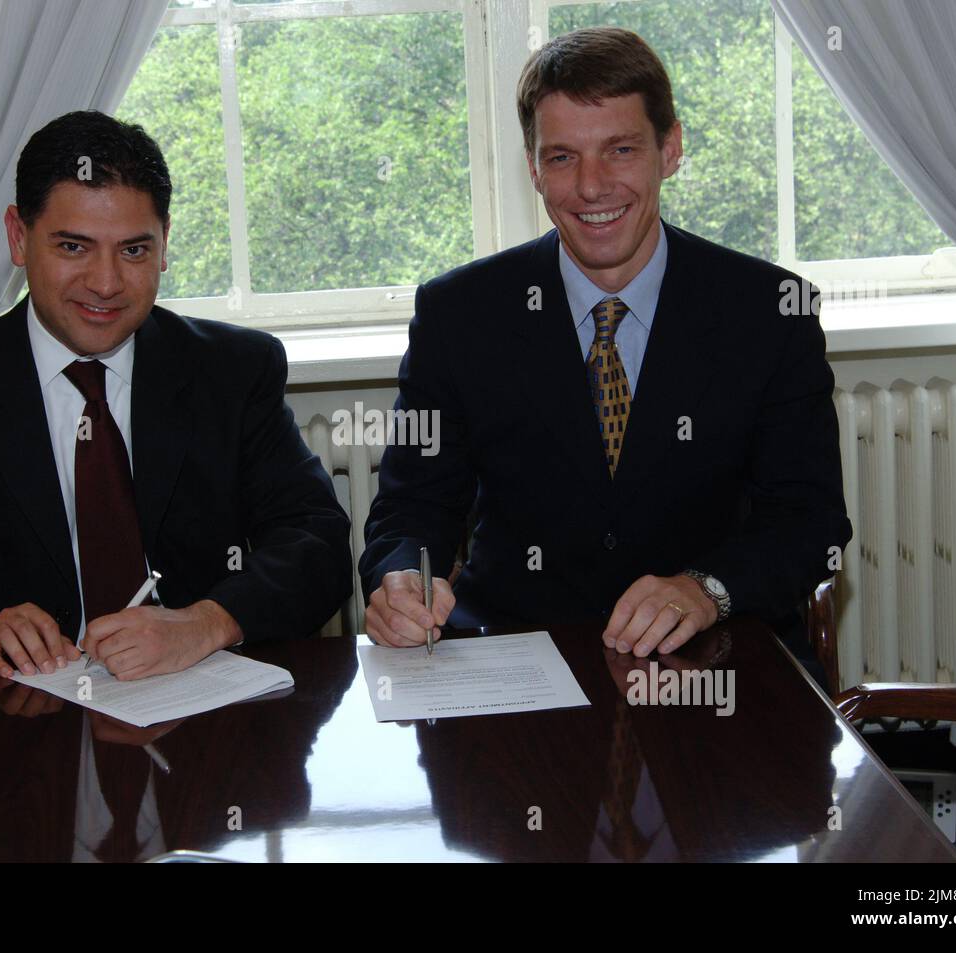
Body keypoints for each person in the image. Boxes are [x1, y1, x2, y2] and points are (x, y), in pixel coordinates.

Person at [359, 28, 851, 683]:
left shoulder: (770, 312)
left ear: (669, 149)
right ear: (533, 167)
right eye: (562, 157)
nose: (591, 186)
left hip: (723, 667)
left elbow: (810, 522)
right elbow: (411, 507)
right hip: (518, 669)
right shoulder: (461, 315)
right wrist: (401, 577)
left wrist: (707, 589)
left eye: (620, 150)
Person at [0, 110, 351, 680]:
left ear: (166, 243)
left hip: (199, 708)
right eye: (74, 247)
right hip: (7, 728)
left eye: (133, 250)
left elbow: (315, 542)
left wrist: (208, 622)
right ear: (18, 238)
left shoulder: (233, 370)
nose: (105, 283)